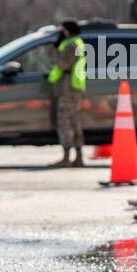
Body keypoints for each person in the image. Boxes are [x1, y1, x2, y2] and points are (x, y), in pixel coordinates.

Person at [47, 20, 86, 167]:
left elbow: (63, 64)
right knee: (74, 121)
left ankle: (67, 158)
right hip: (73, 86)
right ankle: (78, 157)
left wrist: (54, 50)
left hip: (69, 88)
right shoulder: (76, 43)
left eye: (62, 31)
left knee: (65, 121)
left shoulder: (72, 45)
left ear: (67, 31)